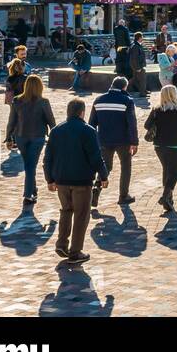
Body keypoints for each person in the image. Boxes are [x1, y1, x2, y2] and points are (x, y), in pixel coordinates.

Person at [43, 98, 108, 264]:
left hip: (61, 180)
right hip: (81, 180)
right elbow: (95, 157)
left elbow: (48, 158)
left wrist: (49, 179)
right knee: (81, 215)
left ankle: (61, 243)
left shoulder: (56, 130)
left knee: (66, 211)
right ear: (82, 112)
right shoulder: (88, 130)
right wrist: (103, 175)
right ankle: (75, 252)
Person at [143, 85, 177, 212]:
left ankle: (168, 199)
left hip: (159, 145)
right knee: (174, 172)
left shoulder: (156, 109)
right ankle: (165, 196)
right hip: (176, 144)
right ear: (174, 94)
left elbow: (146, 125)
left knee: (166, 170)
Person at [4, 74, 56, 204]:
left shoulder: (17, 100)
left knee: (29, 164)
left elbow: (11, 122)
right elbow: (51, 121)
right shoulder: (44, 102)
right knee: (30, 166)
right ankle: (28, 195)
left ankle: (33, 190)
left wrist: (8, 138)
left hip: (20, 137)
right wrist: (55, 137)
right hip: (37, 137)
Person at [88, 75, 138, 209]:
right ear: (124, 87)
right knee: (126, 167)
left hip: (103, 140)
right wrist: (134, 142)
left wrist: (92, 141)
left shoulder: (98, 100)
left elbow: (92, 123)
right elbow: (132, 123)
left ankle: (97, 187)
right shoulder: (127, 100)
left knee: (106, 167)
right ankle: (123, 196)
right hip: (123, 140)